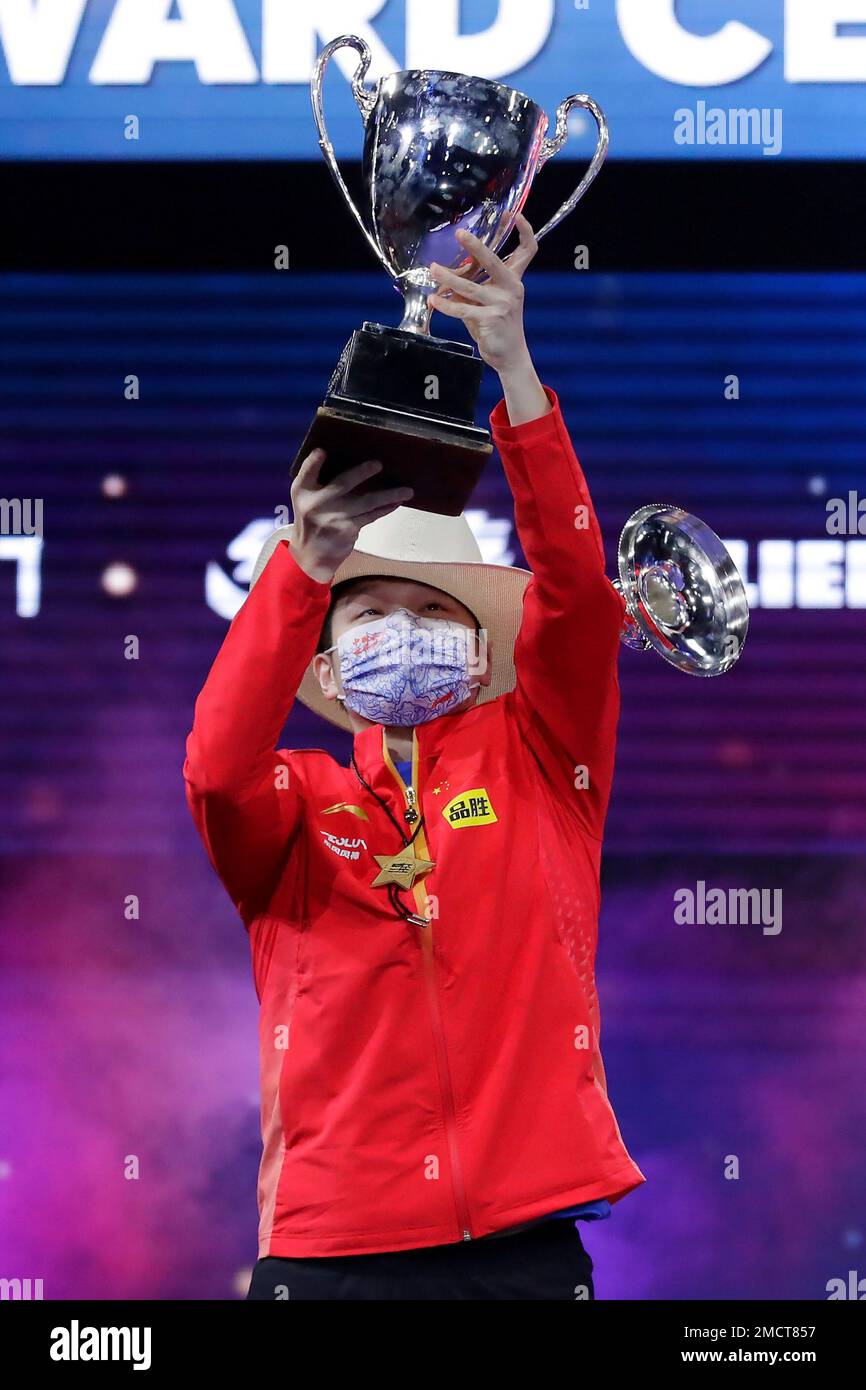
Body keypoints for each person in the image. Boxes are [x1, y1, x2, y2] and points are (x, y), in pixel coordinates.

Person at [184, 215, 645, 1300]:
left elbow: (579, 603)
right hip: (331, 1249)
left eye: (427, 607)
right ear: (325, 663)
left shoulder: (539, 762)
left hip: (523, 1247)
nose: (399, 625)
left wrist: (515, 375)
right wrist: (303, 566)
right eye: (367, 609)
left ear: (481, 650)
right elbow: (213, 765)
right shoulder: (291, 803)